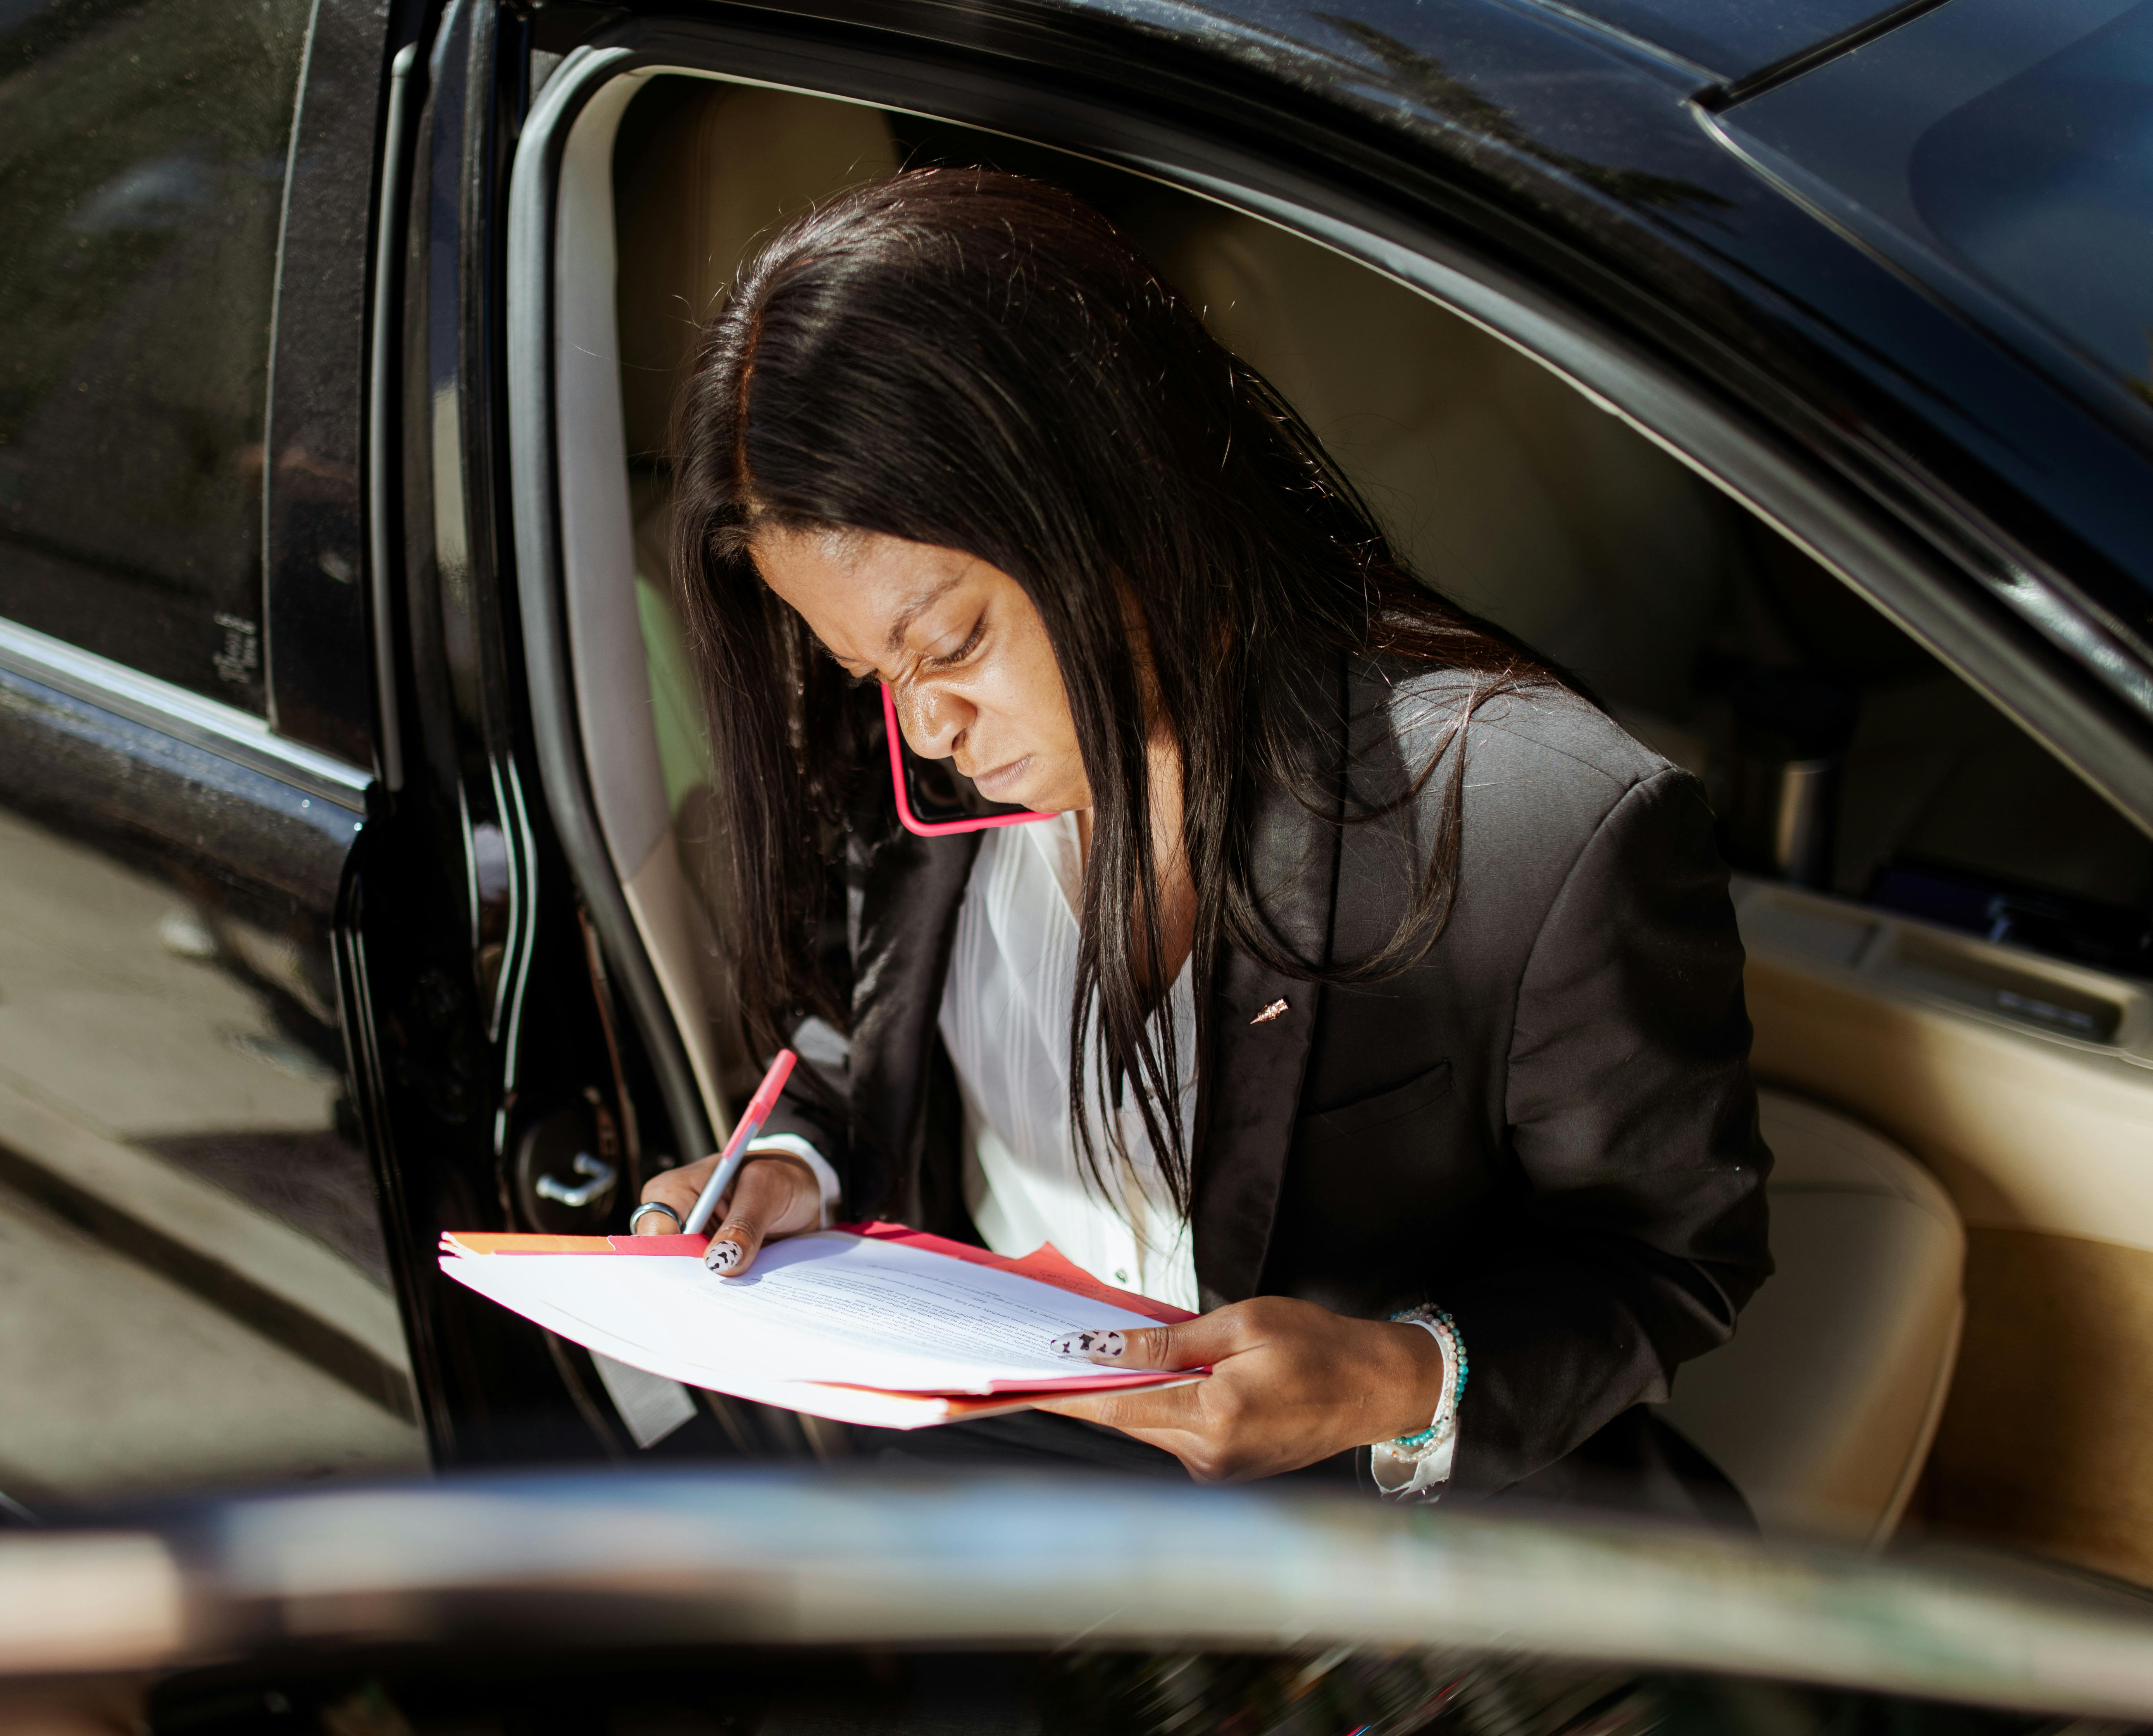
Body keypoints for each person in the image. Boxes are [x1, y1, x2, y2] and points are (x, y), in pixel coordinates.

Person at [629, 168, 1769, 1521]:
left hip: (1370, 1544)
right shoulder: (911, 762)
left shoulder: (1536, 825)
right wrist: (791, 1165)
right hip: (994, 1500)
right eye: (868, 668)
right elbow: (874, 1035)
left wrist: (1405, 1378)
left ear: (1112, 497)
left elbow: (1668, 1259)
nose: (922, 723)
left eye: (952, 644)